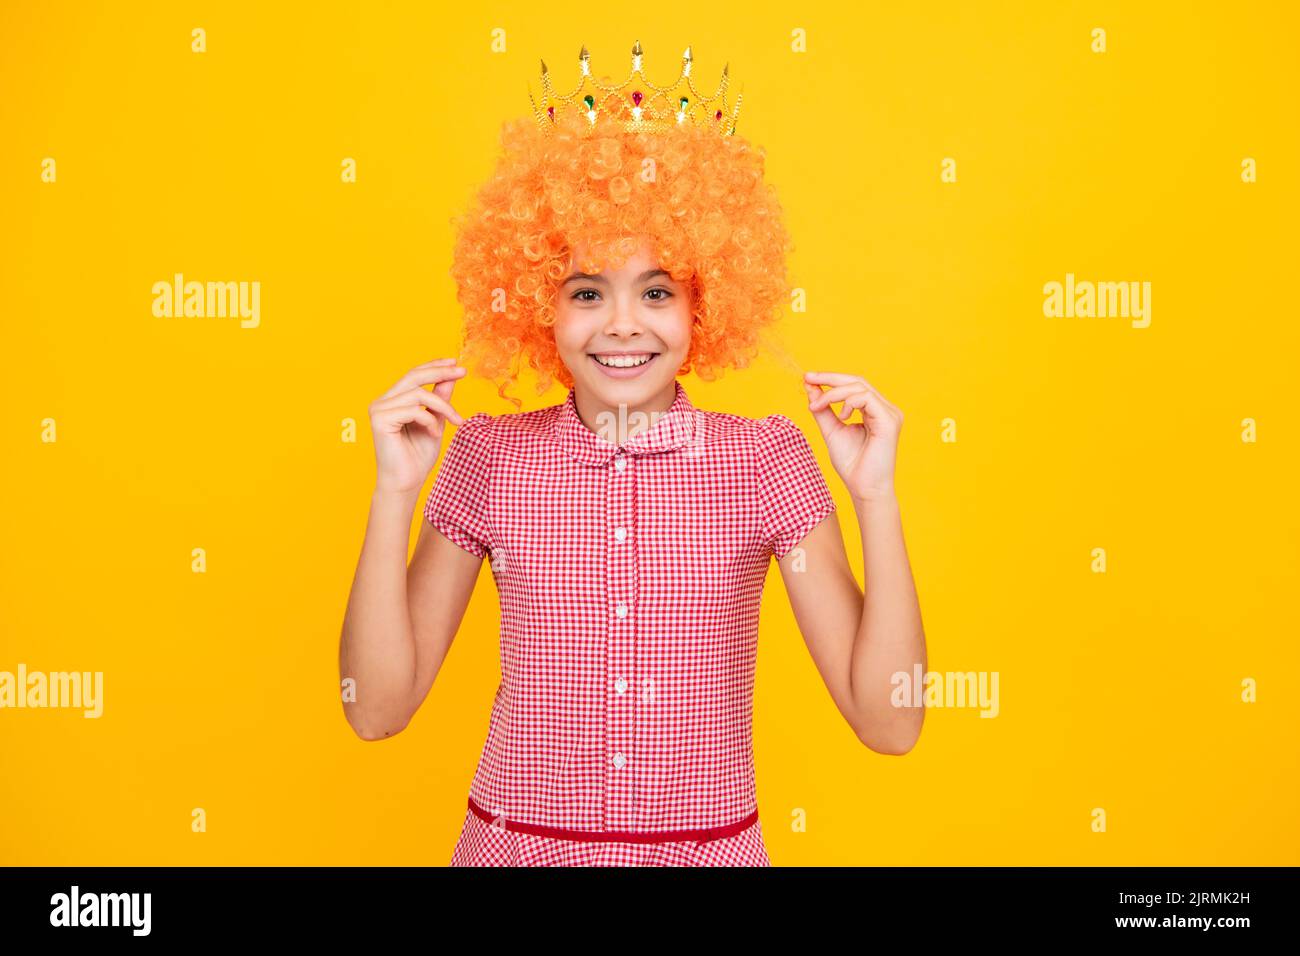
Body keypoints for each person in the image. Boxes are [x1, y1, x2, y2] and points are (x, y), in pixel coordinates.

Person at [338, 42, 927, 866]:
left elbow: (890, 723)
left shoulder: (764, 462)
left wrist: (876, 498)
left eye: (656, 291)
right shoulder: (488, 458)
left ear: (704, 304)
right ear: (542, 306)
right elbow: (375, 709)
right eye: (587, 292)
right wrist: (394, 494)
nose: (622, 325)